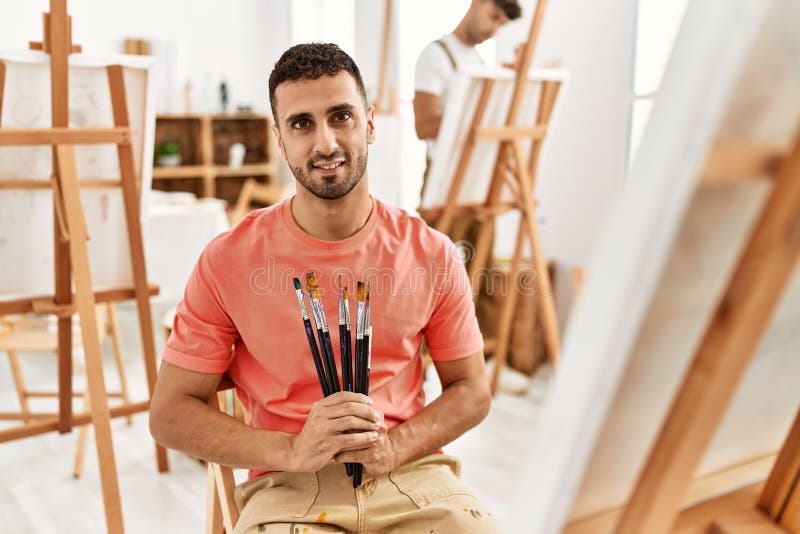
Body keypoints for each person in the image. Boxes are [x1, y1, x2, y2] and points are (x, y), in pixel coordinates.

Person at [149, 43, 500, 533]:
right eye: (301, 124)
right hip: (288, 488)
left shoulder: (432, 252)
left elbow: (472, 390)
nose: (326, 143)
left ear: (371, 123)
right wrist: (292, 449)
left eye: (341, 116)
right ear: (279, 138)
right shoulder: (227, 259)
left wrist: (394, 447)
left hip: (412, 476)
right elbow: (169, 415)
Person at [414, 0, 522, 190]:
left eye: (501, 25)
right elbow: (423, 127)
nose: (494, 30)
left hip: (474, 177)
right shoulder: (436, 55)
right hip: (444, 181)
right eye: (494, 17)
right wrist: (476, 115)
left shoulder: (479, 62)